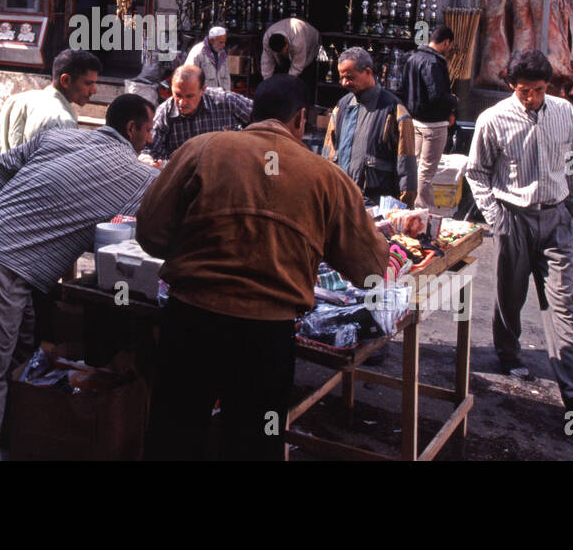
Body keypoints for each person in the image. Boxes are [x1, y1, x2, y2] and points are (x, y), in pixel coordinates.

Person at [137, 75, 390, 460]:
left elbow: (150, 231)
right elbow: (370, 268)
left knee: (174, 435)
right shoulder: (327, 178)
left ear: (251, 112)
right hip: (265, 338)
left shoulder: (202, 149)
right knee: (253, 442)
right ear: (300, 119)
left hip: (190, 322)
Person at [0, 94, 158, 461]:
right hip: (4, 262)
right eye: (148, 130)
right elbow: (150, 234)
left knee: (21, 350)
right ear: (131, 129)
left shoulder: (63, 137)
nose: (150, 138)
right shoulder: (140, 177)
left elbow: (1, 166)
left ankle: (15, 432)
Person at [464, 49, 573, 417]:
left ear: (547, 85)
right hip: (513, 217)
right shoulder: (492, 120)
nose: (533, 97)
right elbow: (476, 173)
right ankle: (508, 352)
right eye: (525, 90)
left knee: (562, 303)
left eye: (538, 89)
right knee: (511, 293)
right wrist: (496, 218)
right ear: (512, 86)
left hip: (556, 219)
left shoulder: (564, 112)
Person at [322, 47, 417, 206]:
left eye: (350, 77)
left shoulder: (394, 110)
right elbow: (328, 155)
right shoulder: (341, 107)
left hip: (375, 206)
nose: (344, 83)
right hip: (341, 201)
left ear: (367, 72)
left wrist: (404, 206)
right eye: (342, 78)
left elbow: (406, 164)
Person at [0, 49, 100, 162]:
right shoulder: (62, 120)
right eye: (88, 83)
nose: (94, 91)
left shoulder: (15, 100)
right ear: (66, 81)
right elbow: (57, 175)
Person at [395, 25, 459, 209]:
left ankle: (412, 207)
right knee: (426, 171)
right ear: (446, 42)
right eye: (449, 45)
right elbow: (436, 96)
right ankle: (425, 212)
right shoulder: (433, 63)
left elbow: (404, 89)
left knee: (415, 166)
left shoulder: (413, 58)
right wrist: (453, 101)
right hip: (433, 124)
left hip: (414, 120)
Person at [141, 63, 252, 164]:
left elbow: (261, 118)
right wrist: (149, 161)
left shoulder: (227, 101)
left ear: (202, 90)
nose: (182, 102)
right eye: (178, 95)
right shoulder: (164, 114)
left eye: (189, 96)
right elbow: (150, 150)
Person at [260, 16, 320, 81]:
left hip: (312, 43)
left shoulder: (297, 39)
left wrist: (287, 83)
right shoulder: (267, 38)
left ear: (286, 40)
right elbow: (267, 61)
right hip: (291, 40)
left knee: (305, 77)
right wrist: (267, 82)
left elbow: (297, 66)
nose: (283, 53)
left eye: (284, 50)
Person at [184, 25, 231, 91]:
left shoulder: (222, 53)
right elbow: (189, 76)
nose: (224, 45)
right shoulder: (198, 52)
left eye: (224, 42)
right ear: (211, 40)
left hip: (219, 96)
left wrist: (227, 94)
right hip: (204, 96)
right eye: (221, 42)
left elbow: (226, 77)